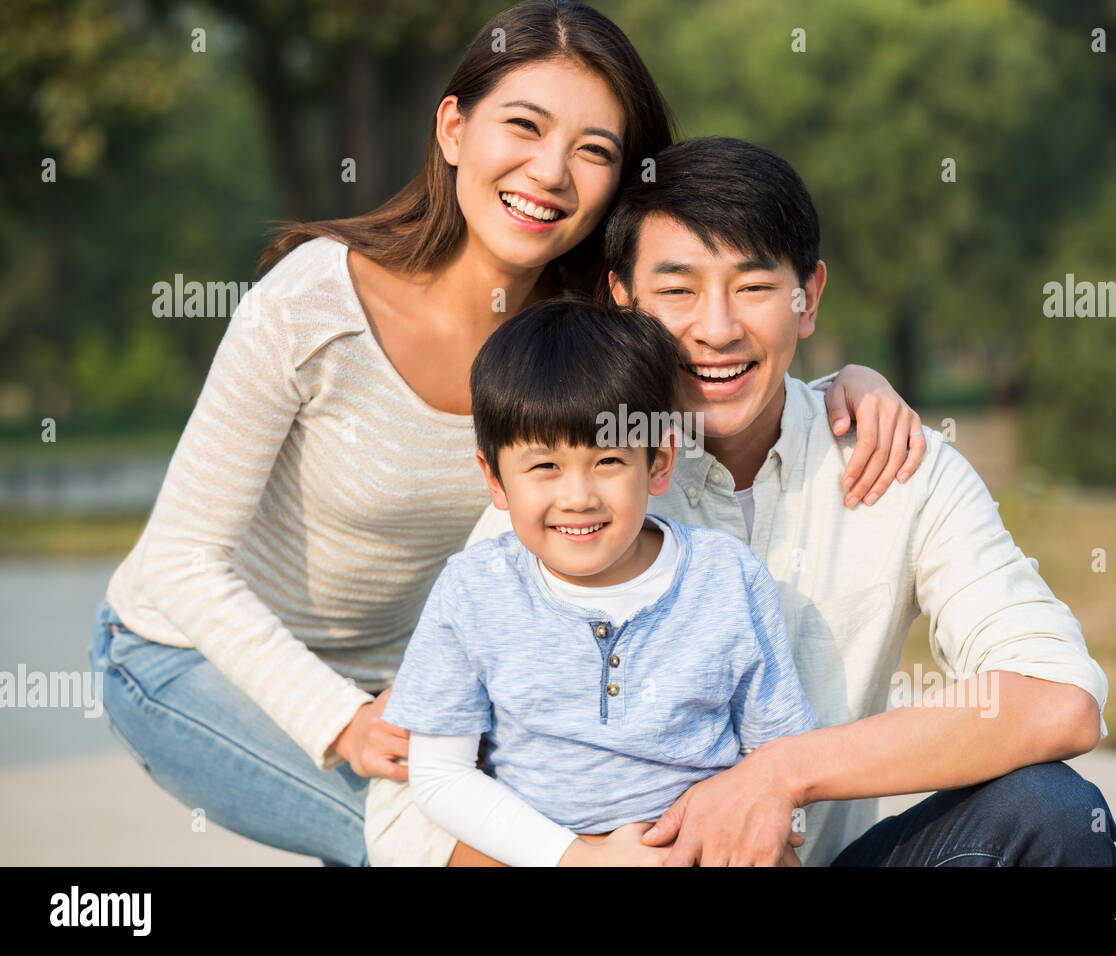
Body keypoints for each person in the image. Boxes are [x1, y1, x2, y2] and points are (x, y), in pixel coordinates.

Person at [87, 1, 919, 867]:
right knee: (443, 842)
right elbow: (182, 560)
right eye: (523, 125)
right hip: (186, 658)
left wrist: (851, 388)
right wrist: (335, 718)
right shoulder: (311, 307)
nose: (551, 172)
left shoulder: (589, 329)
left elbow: (725, 358)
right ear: (453, 127)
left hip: (424, 677)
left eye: (594, 151)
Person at [457, 136, 1116, 866]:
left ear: (808, 300)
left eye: (754, 286)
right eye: (677, 291)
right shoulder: (567, 496)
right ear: (623, 303)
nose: (716, 328)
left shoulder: (896, 463)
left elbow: (1058, 699)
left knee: (1050, 813)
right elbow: (447, 791)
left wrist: (781, 773)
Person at [372, 296, 818, 867]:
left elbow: (780, 753)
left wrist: (770, 829)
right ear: (496, 479)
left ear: (657, 463)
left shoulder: (726, 578)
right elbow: (438, 775)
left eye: (607, 461)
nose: (578, 497)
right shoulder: (475, 590)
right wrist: (576, 858)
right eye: (544, 467)